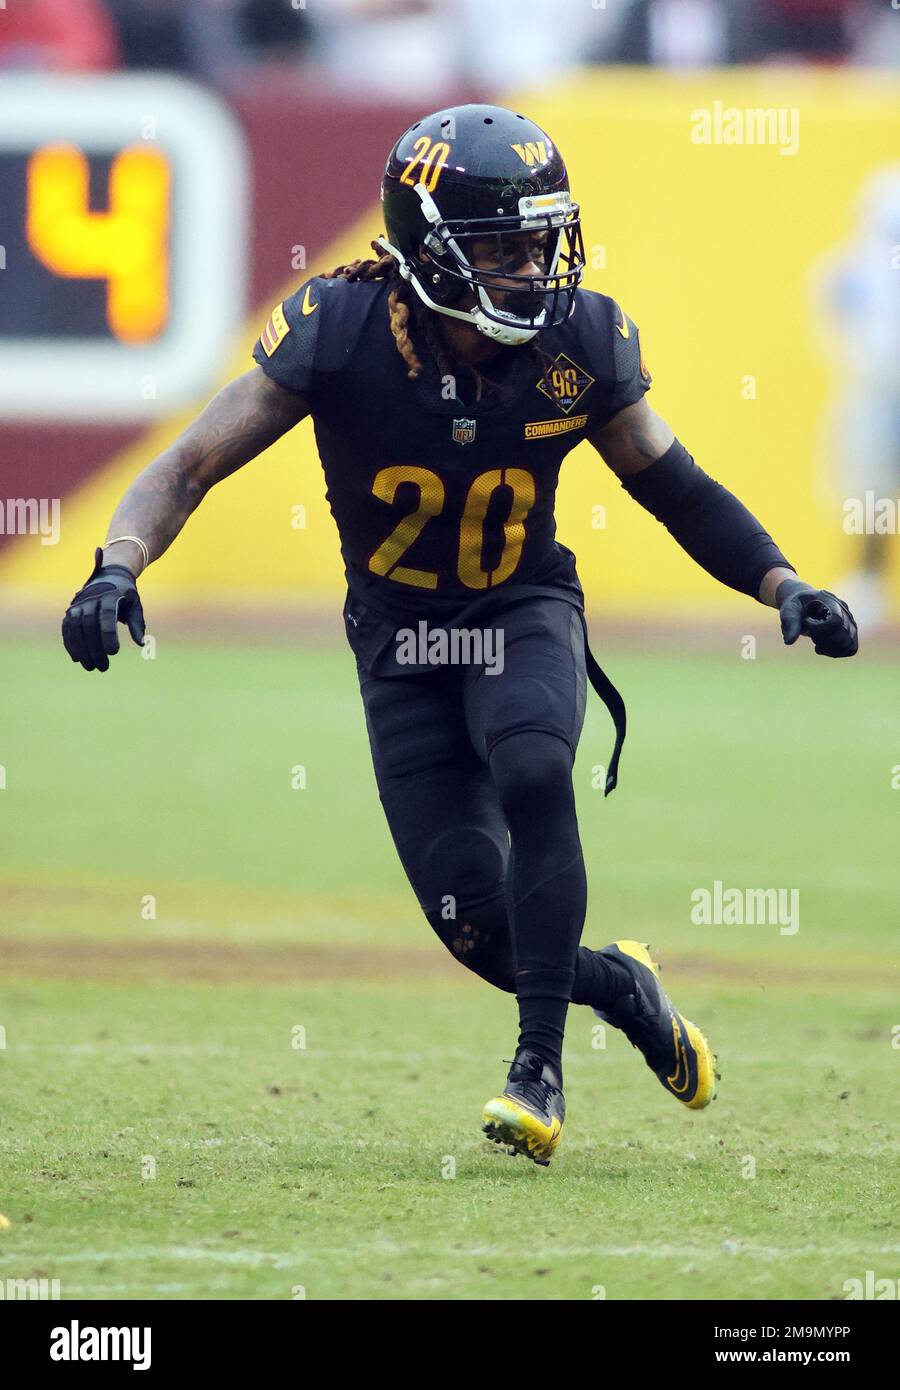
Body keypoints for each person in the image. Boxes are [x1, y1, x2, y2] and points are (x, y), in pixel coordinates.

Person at [62, 105, 858, 1165]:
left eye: (543, 241)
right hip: (401, 648)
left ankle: (538, 1069)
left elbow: (677, 487)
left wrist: (780, 581)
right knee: (479, 930)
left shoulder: (579, 342)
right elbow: (186, 466)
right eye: (503, 246)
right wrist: (116, 565)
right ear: (427, 247)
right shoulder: (339, 333)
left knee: (536, 763)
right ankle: (618, 984)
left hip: (519, 609)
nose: (535, 270)